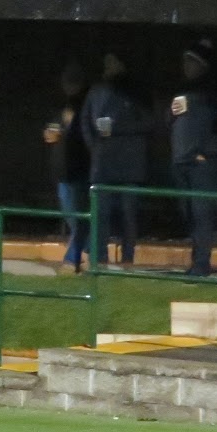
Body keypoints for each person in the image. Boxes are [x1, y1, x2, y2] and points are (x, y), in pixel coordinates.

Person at [81, 53, 151, 266]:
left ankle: (128, 258)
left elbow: (149, 122)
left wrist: (117, 129)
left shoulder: (136, 92)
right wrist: (94, 147)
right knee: (100, 213)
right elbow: (86, 121)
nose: (109, 67)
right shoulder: (96, 91)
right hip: (103, 164)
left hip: (129, 165)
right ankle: (100, 257)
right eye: (107, 63)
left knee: (128, 214)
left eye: (114, 62)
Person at [170, 38, 217, 276]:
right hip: (181, 160)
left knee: (202, 213)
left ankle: (202, 263)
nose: (186, 67)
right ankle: (195, 260)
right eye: (184, 62)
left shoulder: (212, 91)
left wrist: (206, 152)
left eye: (192, 62)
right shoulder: (180, 88)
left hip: (201, 162)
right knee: (188, 213)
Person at [44, 61, 91, 274]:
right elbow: (50, 130)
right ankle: (89, 253)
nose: (69, 87)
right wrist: (51, 133)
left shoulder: (86, 106)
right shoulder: (62, 106)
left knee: (79, 217)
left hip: (79, 169)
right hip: (62, 170)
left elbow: (87, 137)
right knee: (72, 217)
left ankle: (72, 259)